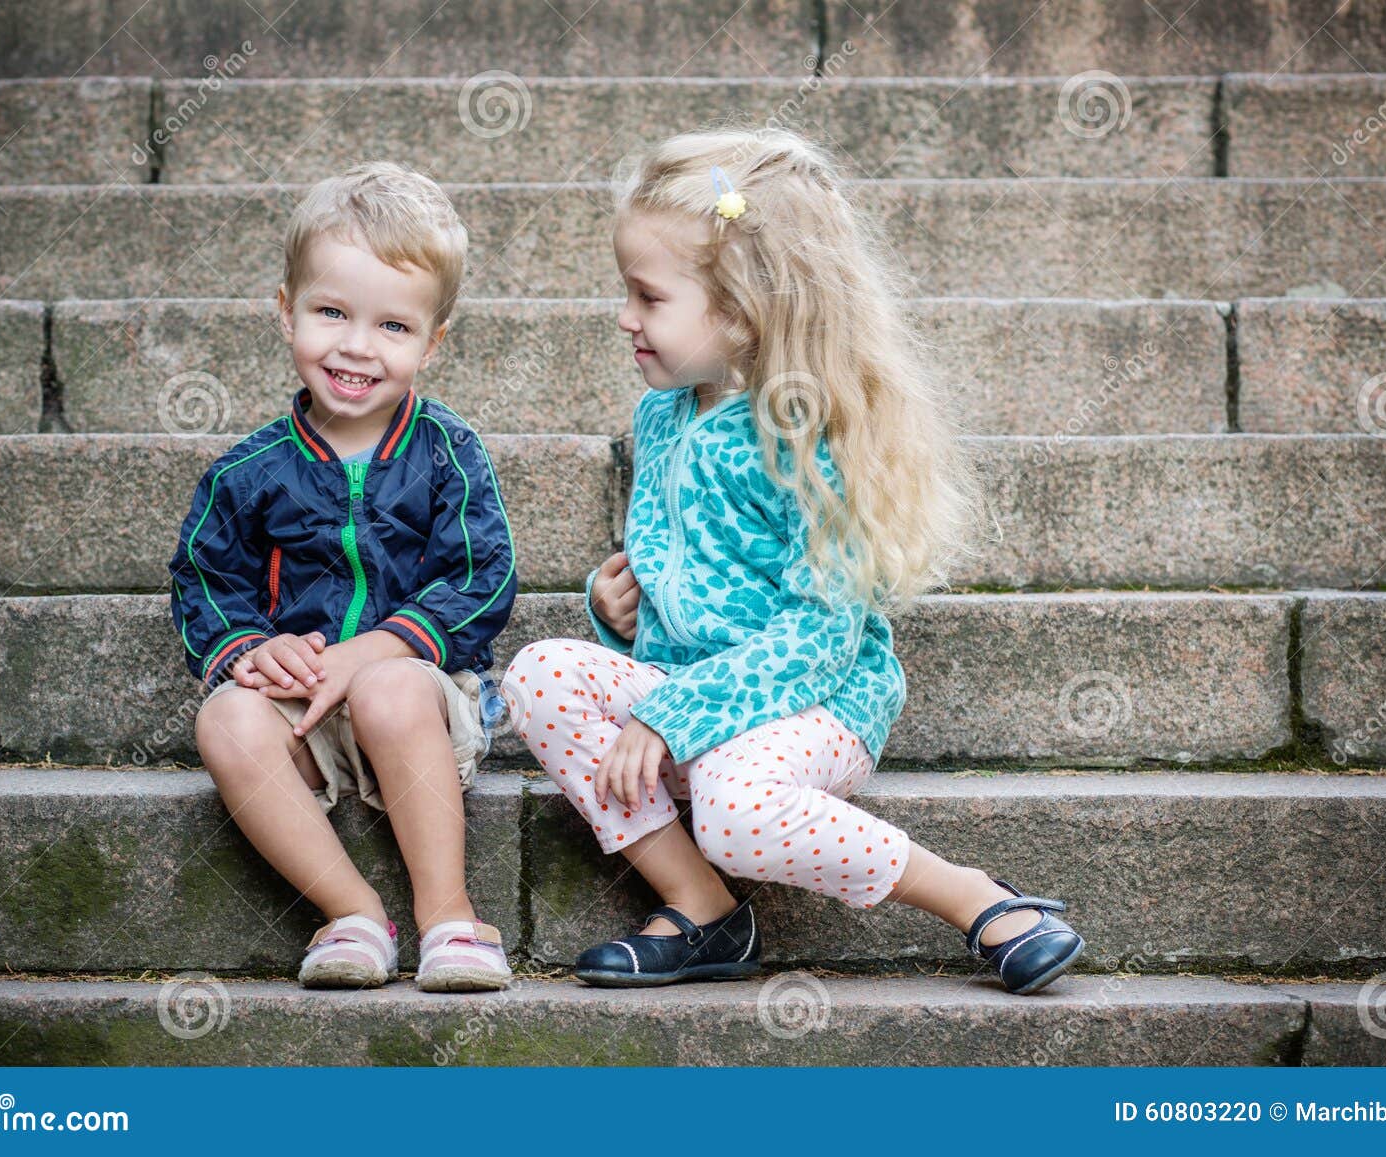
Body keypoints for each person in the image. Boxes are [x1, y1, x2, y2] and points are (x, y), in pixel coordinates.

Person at [506, 129, 1085, 994]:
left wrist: (671, 716)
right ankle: (702, 908)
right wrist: (618, 608)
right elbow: (675, 569)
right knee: (539, 672)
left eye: (647, 296)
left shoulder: (807, 435)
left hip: (815, 702)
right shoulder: (663, 415)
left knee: (737, 812)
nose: (625, 316)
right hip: (686, 697)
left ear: (741, 309)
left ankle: (973, 898)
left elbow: (818, 635)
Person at [170, 161, 517, 992]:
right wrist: (251, 651)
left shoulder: (447, 453)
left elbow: (482, 576)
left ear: (433, 343)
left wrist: (381, 650)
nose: (358, 345)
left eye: (393, 326)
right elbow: (205, 579)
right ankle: (354, 913)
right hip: (305, 711)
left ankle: (449, 916)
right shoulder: (247, 471)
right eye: (331, 312)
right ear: (286, 312)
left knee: (390, 689)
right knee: (224, 720)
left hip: (420, 704)